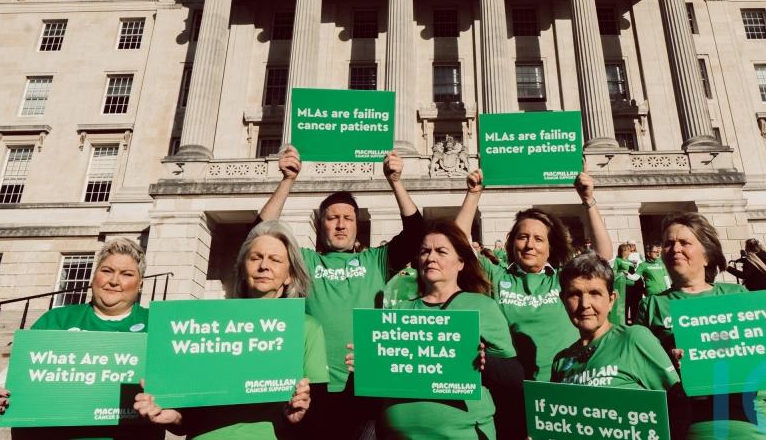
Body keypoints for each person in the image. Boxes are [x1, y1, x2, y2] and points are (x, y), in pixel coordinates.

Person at [257, 146, 425, 439]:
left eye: (347, 218)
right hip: (312, 388)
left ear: (357, 226)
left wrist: (395, 181)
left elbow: (416, 234)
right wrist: (287, 180)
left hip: (363, 385)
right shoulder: (306, 261)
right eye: (332, 217)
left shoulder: (375, 260)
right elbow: (261, 233)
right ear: (320, 224)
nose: (340, 224)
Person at [638, 214, 766, 440]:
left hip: (745, 418)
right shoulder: (651, 306)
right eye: (668, 243)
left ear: (707, 255)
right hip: (686, 421)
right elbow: (640, 371)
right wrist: (668, 365)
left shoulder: (737, 295)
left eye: (684, 242)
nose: (674, 249)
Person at [133, 221, 326, 438]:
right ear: (243, 268)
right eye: (255, 258)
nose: (264, 266)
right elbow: (185, 419)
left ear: (290, 274)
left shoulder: (308, 328)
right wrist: (172, 416)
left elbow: (318, 415)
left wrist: (297, 417)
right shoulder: (206, 325)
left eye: (275, 260)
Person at [350, 220, 522, 439]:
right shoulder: (399, 311)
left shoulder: (481, 306)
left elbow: (514, 376)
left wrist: (485, 361)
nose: (431, 258)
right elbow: (376, 383)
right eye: (424, 252)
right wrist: (365, 364)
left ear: (461, 262)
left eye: (441, 251)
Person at [0, 239, 162, 440]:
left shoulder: (156, 325)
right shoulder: (56, 320)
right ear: (93, 276)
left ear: (140, 284)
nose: (114, 281)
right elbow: (15, 372)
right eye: (107, 271)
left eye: (127, 274)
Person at [455, 169, 613, 381]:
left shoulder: (563, 278)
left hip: (565, 383)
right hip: (511, 386)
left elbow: (603, 258)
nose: (530, 245)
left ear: (550, 247)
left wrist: (588, 201)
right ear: (513, 243)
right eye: (523, 237)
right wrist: (473, 194)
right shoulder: (497, 276)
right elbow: (457, 244)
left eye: (538, 239)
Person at [552, 252, 679, 395]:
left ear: (611, 300)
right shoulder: (561, 361)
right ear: (563, 300)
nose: (585, 304)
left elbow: (677, 400)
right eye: (575, 294)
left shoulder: (634, 339)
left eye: (595, 293)